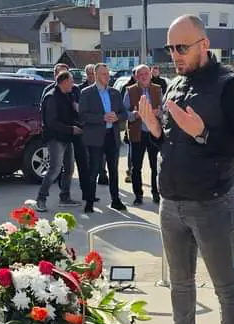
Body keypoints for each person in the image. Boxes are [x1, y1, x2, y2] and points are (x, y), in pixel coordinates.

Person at [137, 15, 234, 324]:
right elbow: (174, 142)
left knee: (226, 288)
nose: (175, 56)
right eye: (170, 48)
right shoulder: (176, 82)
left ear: (204, 44)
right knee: (180, 283)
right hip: (170, 202)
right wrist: (156, 131)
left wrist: (204, 133)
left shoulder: (231, 84)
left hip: (212, 203)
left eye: (182, 47)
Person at [79, 63, 127, 213]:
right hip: (95, 137)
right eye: (104, 74)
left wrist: (116, 116)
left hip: (111, 136)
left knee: (113, 170)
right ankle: (90, 201)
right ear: (96, 75)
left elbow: (124, 113)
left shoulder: (114, 93)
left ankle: (116, 200)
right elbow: (83, 116)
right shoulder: (87, 93)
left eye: (108, 74)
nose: (107, 76)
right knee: (94, 170)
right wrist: (102, 118)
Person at [36, 71, 82, 212]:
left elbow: (70, 115)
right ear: (64, 82)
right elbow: (51, 122)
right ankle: (41, 199)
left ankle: (65, 196)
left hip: (67, 137)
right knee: (55, 169)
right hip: (55, 138)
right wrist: (71, 129)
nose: (73, 84)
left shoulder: (68, 95)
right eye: (71, 81)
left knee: (69, 168)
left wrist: (78, 115)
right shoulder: (51, 97)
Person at [124, 64, 163, 205]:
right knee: (136, 167)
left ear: (151, 75)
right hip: (137, 132)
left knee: (155, 166)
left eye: (146, 73)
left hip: (153, 132)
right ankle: (138, 195)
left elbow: (164, 109)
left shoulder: (158, 90)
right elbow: (124, 112)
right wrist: (133, 115)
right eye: (140, 74)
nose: (144, 76)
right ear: (136, 77)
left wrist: (160, 113)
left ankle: (156, 193)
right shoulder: (130, 91)